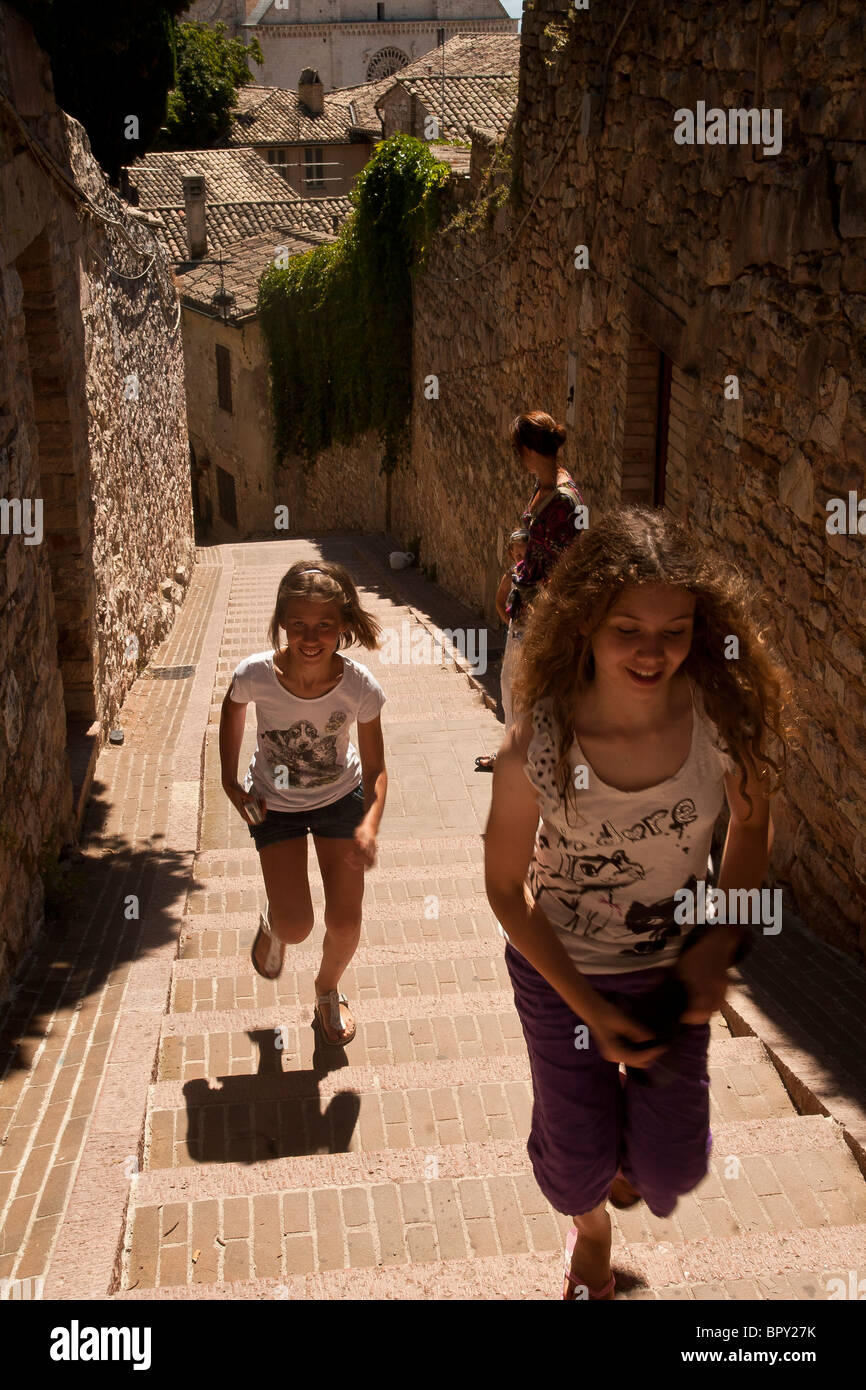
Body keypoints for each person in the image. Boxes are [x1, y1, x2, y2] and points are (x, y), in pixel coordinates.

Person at [483, 507, 794, 1299]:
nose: (653, 652)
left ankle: (617, 1160)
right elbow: (503, 887)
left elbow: (752, 831)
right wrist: (586, 1006)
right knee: (578, 1169)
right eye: (628, 628)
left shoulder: (723, 722)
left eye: (676, 630)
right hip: (562, 976)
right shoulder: (537, 744)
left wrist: (717, 949)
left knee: (671, 1169)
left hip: (670, 976)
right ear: (585, 620)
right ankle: (589, 1234)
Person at [219, 561, 388, 1047]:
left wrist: (370, 825)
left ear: (344, 626)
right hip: (275, 803)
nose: (310, 637)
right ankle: (274, 925)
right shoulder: (254, 675)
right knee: (297, 925)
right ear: (281, 623)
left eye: (325, 626)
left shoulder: (360, 687)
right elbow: (233, 708)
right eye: (298, 625)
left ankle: (327, 989)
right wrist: (231, 785)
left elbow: (376, 771)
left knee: (345, 920)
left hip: (340, 799)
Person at [476, 411, 584, 772]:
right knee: (511, 687)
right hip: (525, 608)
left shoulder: (565, 501)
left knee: (525, 693)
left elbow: (566, 566)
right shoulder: (544, 487)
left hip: (542, 616)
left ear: (526, 450)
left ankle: (524, 764)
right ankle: (514, 753)